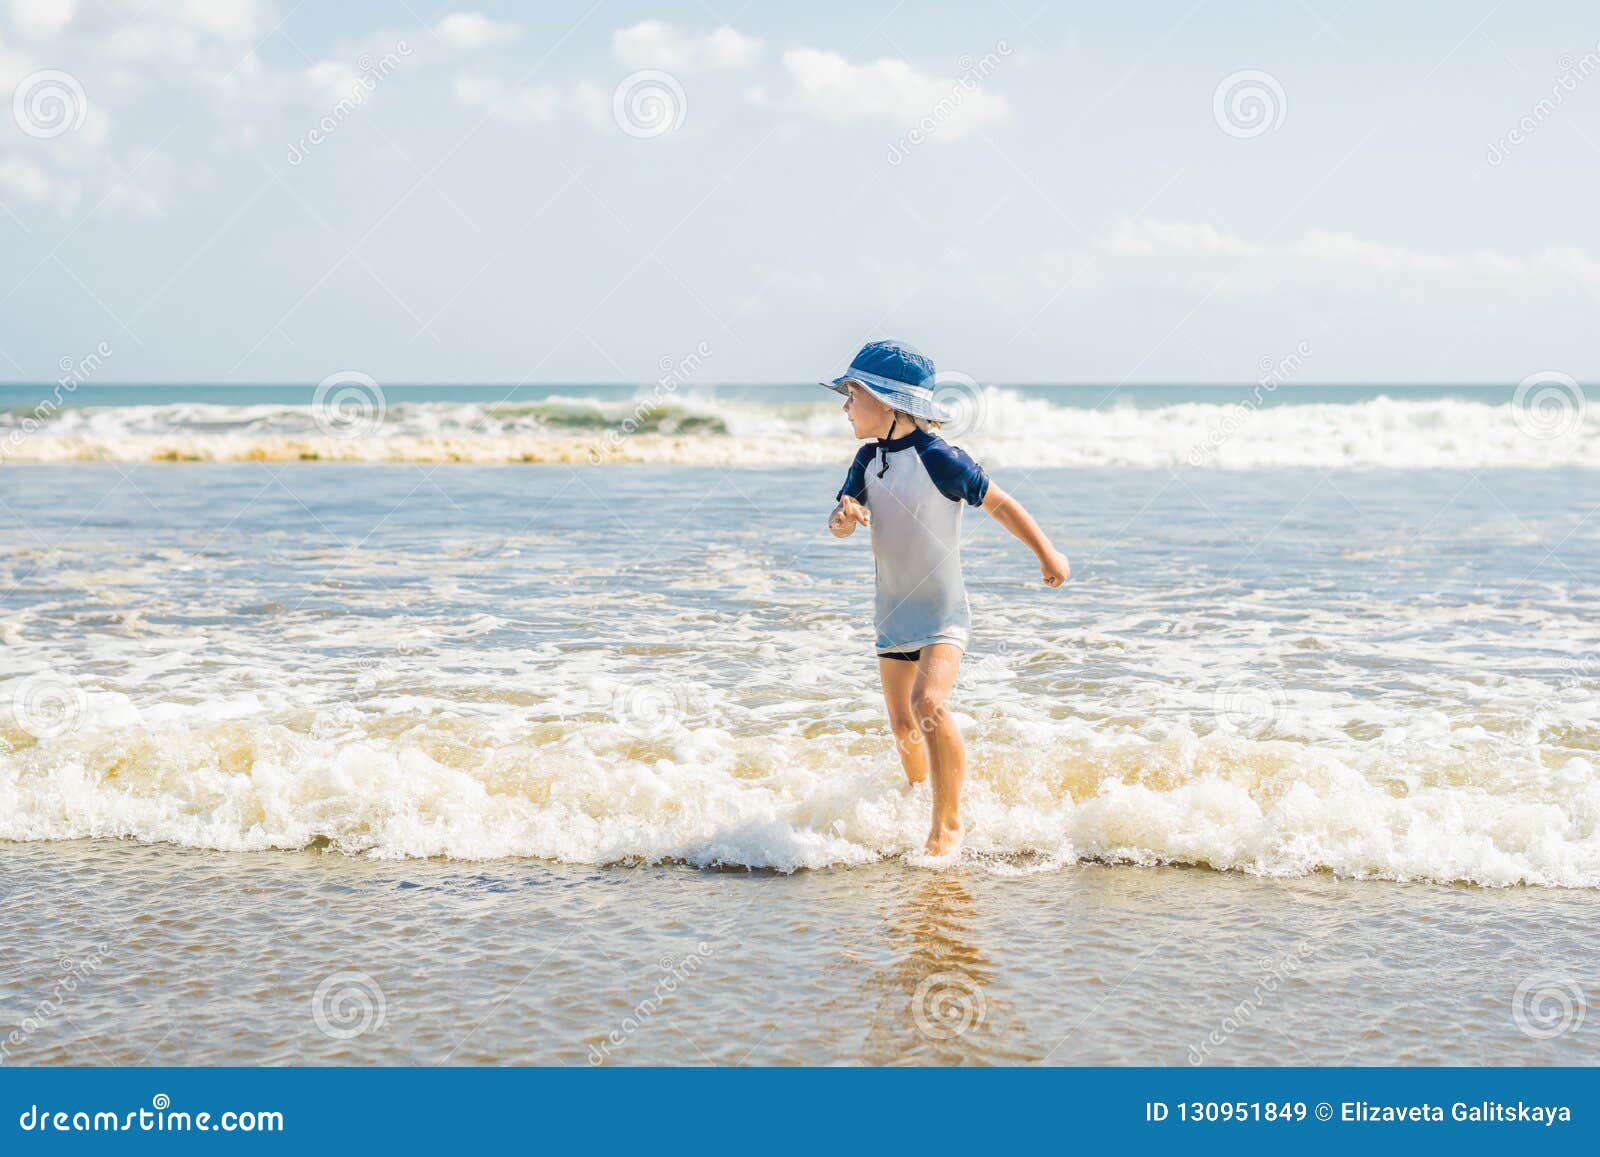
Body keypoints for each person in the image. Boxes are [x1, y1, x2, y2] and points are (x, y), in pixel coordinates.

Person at [823, 339, 1070, 857]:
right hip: (891, 612)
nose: (845, 408)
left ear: (886, 403)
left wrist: (1047, 554)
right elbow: (841, 519)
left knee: (929, 704)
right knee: (901, 723)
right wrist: (844, 518)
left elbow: (1000, 504)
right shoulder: (867, 460)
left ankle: (947, 824)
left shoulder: (940, 458)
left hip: (942, 612)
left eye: (852, 395)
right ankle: (917, 798)